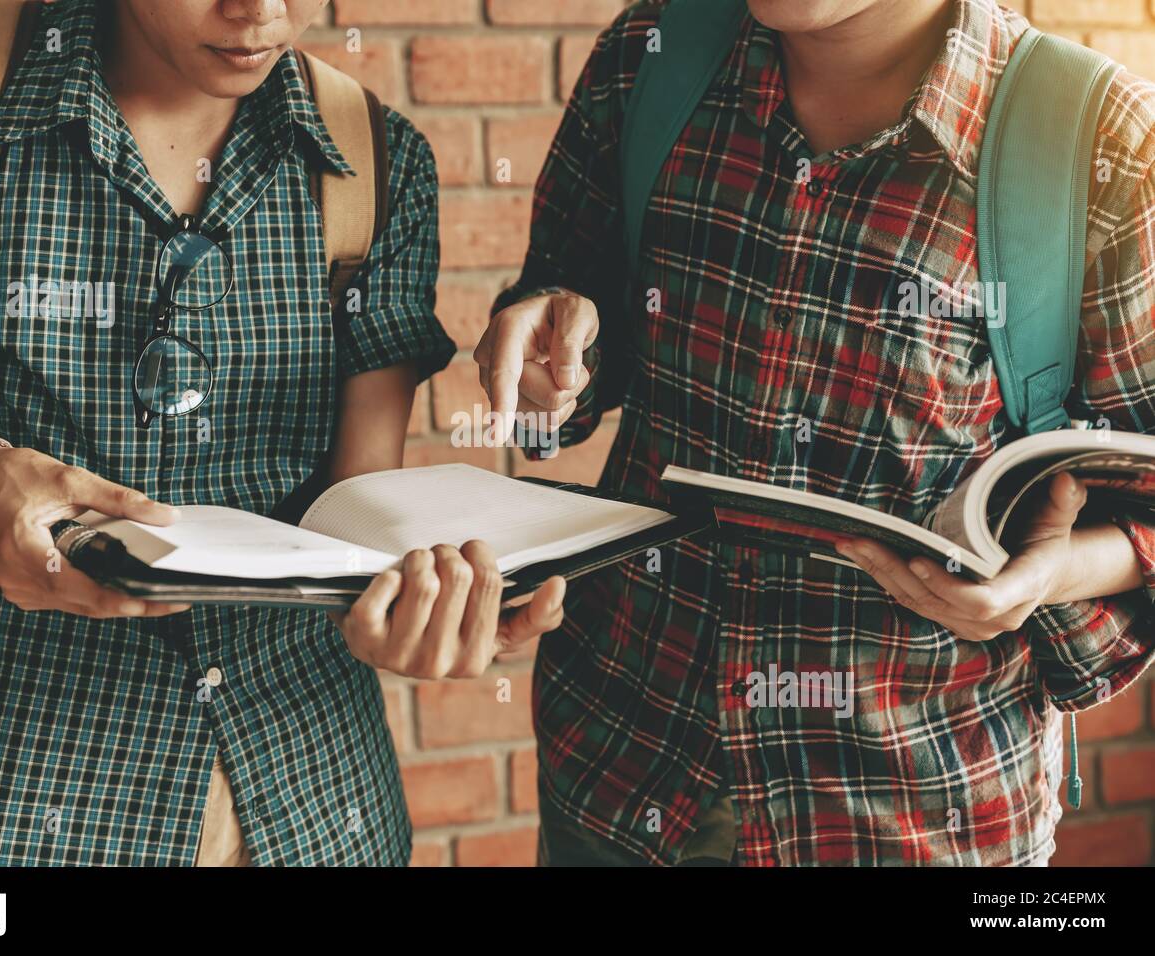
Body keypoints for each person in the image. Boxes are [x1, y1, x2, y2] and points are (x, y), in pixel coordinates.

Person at [0, 0, 564, 866]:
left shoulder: (377, 161)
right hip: (1, 805)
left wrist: (408, 609)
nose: (260, 12)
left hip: (311, 804)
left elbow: (353, 514)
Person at [477, 0, 1155, 866]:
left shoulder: (1100, 140)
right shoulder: (648, 55)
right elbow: (567, 337)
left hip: (915, 811)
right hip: (621, 768)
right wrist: (547, 367)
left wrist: (1049, 574)